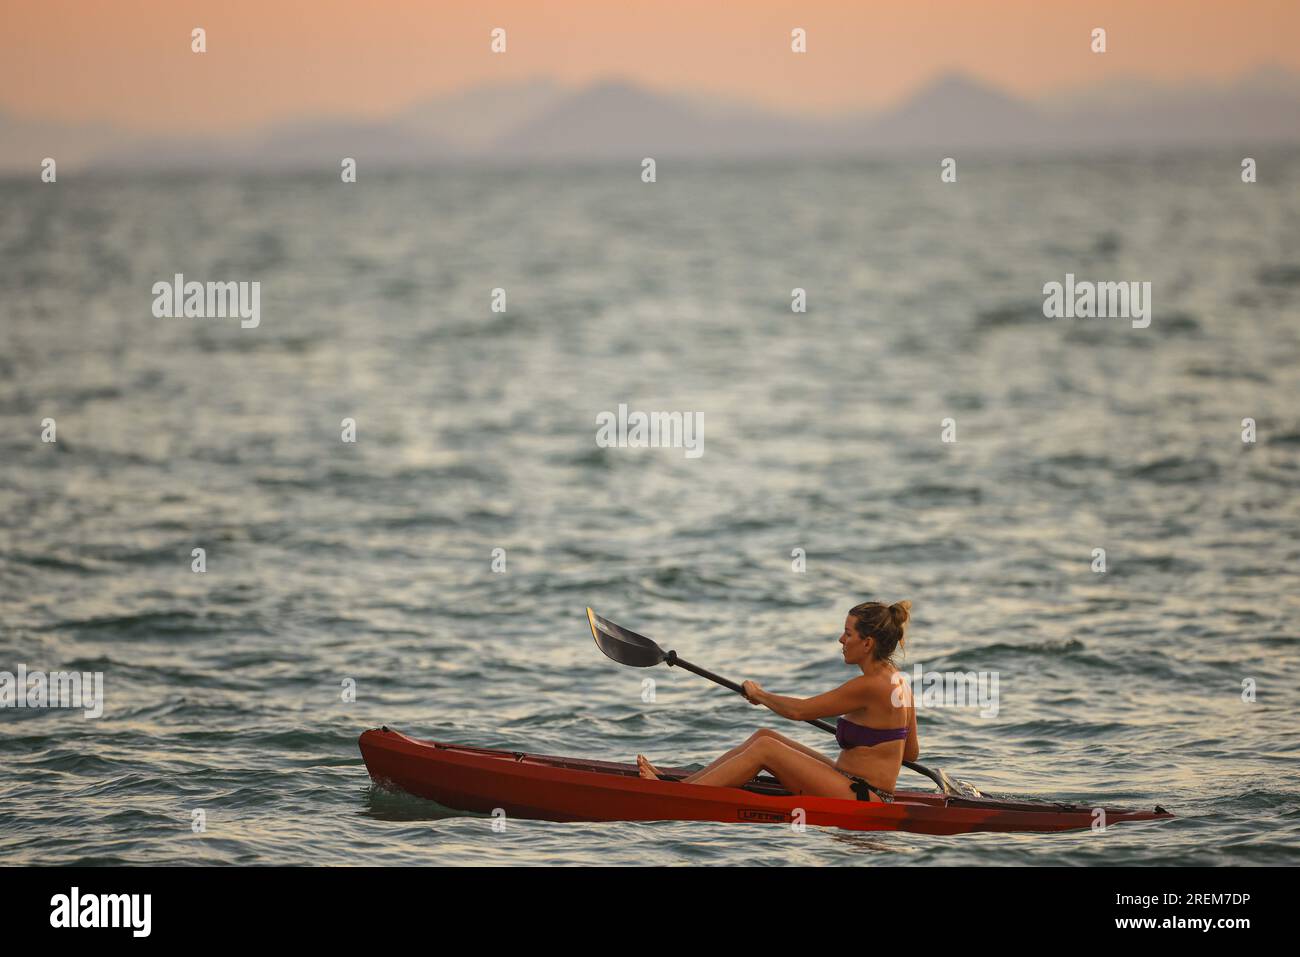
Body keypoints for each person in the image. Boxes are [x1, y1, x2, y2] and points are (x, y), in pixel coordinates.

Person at [636, 601, 917, 802]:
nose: (840, 639)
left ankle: (679, 798)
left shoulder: (869, 686)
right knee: (765, 735)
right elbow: (911, 754)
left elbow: (799, 711)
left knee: (766, 749)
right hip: (854, 782)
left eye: (848, 633)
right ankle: (681, 786)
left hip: (863, 797)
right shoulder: (899, 682)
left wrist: (761, 695)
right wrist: (875, 740)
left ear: (867, 643)